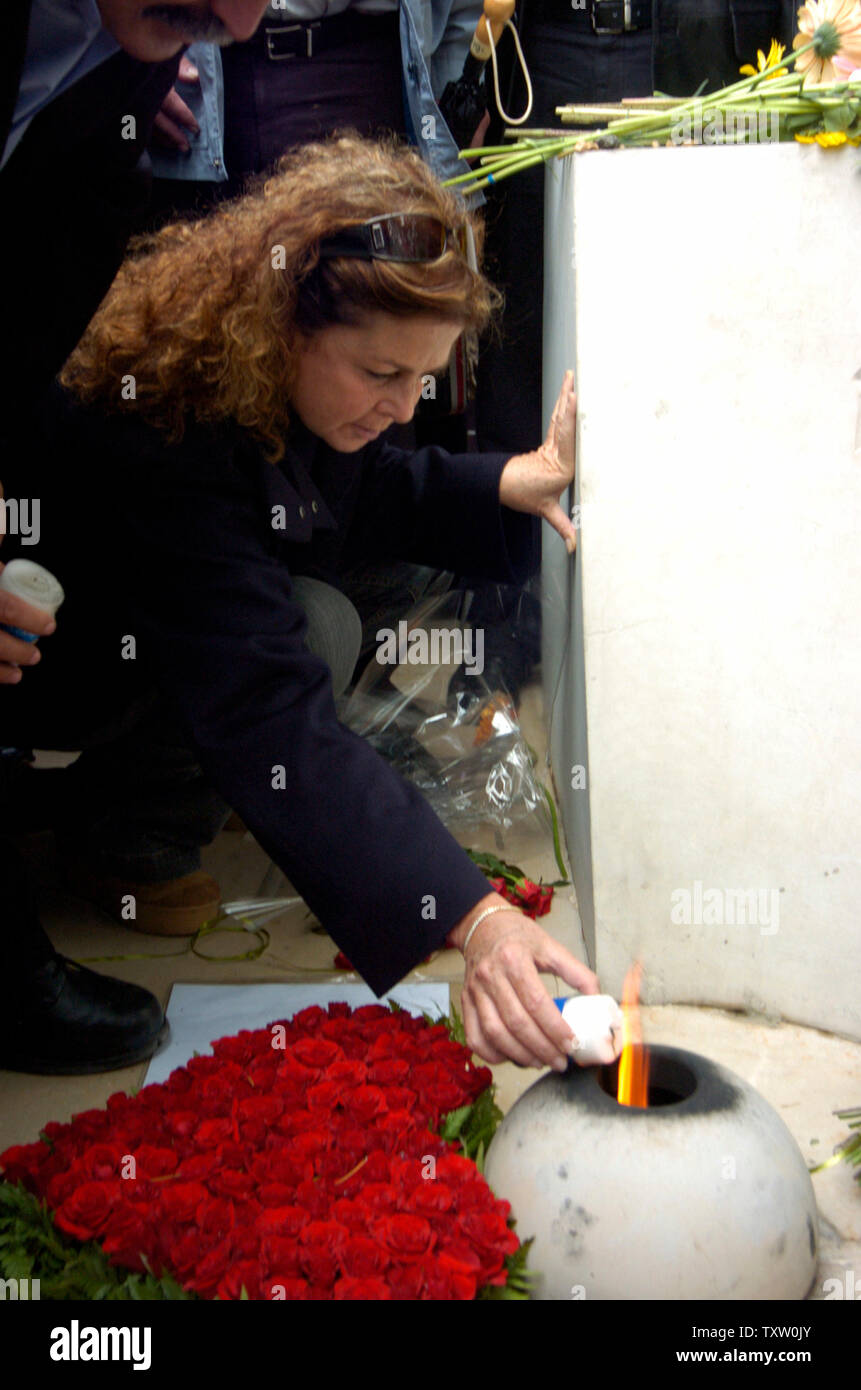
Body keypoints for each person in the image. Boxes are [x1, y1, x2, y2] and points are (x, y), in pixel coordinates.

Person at [1, 132, 597, 1076]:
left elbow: (359, 489)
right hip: (48, 667)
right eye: (381, 375)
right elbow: (269, 716)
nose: (405, 407)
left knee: (355, 587)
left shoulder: (259, 367)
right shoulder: (173, 433)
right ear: (284, 324)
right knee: (313, 629)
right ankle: (111, 832)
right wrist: (472, 917)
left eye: (423, 377)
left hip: (133, 617)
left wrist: (502, 484)